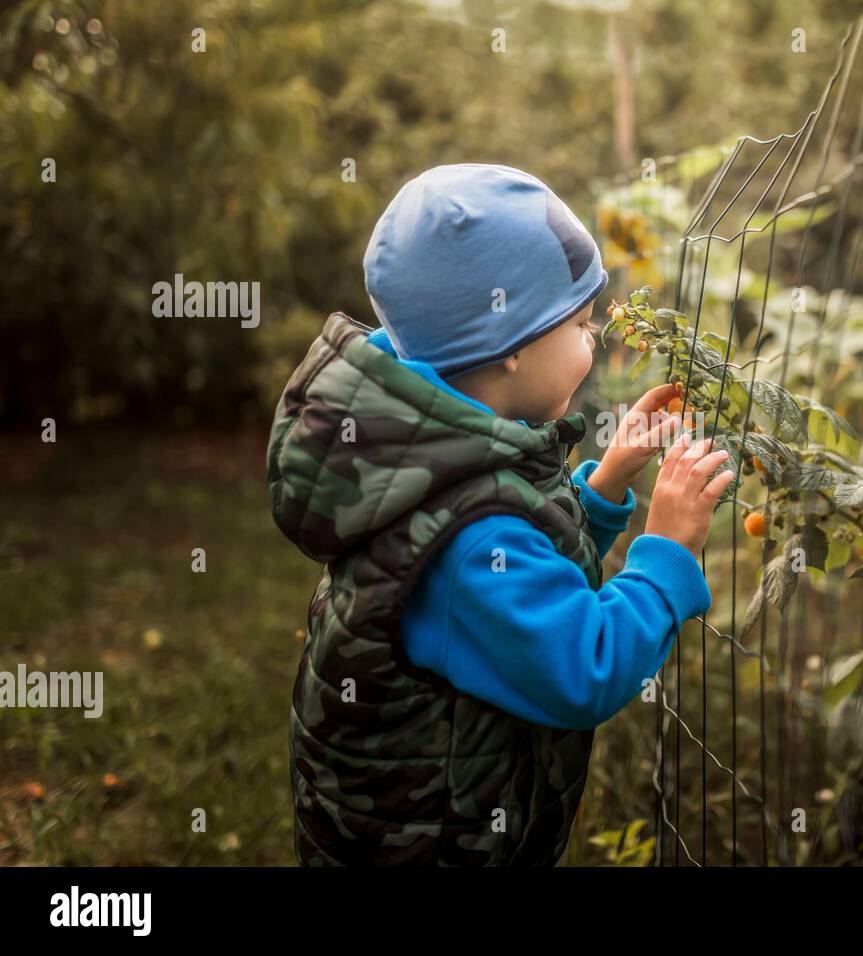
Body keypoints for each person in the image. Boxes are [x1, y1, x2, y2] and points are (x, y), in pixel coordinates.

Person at [266, 163, 734, 865]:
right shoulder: (466, 538)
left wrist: (604, 486)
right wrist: (666, 547)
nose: (596, 338)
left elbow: (518, 551)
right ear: (511, 349)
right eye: (581, 325)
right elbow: (587, 667)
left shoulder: (433, 449)